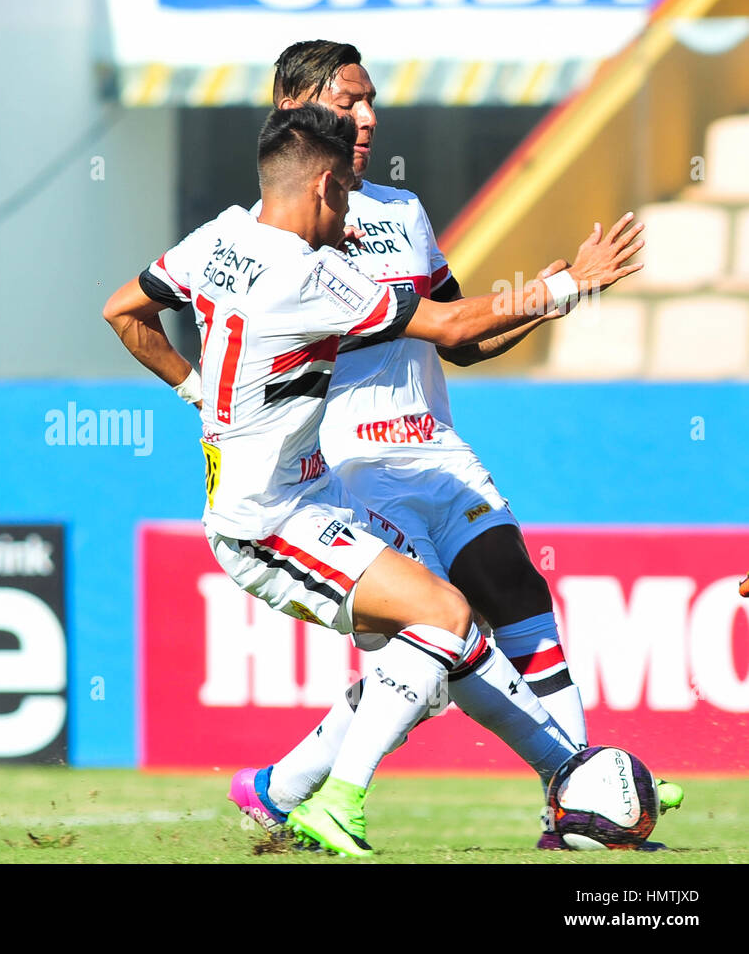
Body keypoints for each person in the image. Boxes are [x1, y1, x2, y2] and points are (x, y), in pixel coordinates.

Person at [102, 105, 644, 855]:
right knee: (445, 618)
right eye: (347, 198)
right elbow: (453, 328)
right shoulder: (311, 276)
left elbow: (122, 310)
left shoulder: (219, 238)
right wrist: (565, 287)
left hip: (303, 498)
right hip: (266, 522)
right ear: (325, 185)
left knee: (435, 642)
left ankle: (286, 789)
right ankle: (341, 800)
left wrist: (200, 394)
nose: (353, 215)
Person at [244, 41, 682, 845]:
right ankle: (293, 786)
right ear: (292, 108)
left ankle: (581, 786)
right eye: (348, 102)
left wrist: (541, 305)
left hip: (437, 451)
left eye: (370, 99)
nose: (368, 116)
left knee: (517, 591)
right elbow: (445, 318)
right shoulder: (275, 237)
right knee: (437, 651)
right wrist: (562, 286)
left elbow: (458, 340)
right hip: (352, 470)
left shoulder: (403, 212)